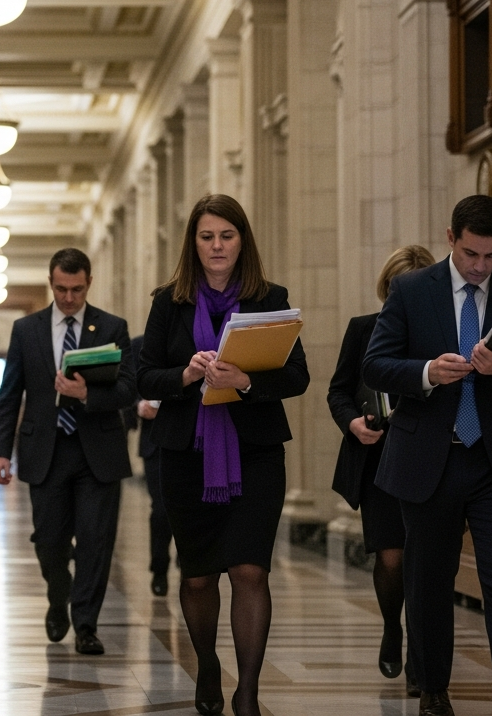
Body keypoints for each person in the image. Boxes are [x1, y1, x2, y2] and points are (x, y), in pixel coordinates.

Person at [363, 196, 492, 716]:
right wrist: (428, 372)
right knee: (429, 580)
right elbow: (377, 365)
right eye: (472, 253)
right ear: (450, 237)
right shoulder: (411, 291)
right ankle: (432, 692)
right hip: (432, 457)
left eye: (491, 256)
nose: (480, 266)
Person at [136, 194, 309, 716]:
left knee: (250, 571)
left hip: (255, 454)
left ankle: (249, 693)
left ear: (242, 241)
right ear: (194, 242)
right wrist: (186, 375)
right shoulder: (170, 301)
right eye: (207, 236)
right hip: (187, 456)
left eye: (227, 236)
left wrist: (246, 380)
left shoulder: (269, 297)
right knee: (198, 577)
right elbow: (143, 375)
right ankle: (208, 664)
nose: (217, 246)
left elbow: (297, 376)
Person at [0, 248, 135, 656]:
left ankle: (86, 624)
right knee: (49, 540)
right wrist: (0, 451)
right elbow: (9, 393)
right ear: (49, 283)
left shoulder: (111, 326)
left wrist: (89, 393)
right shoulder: (27, 329)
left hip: (97, 450)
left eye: (77, 289)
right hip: (45, 450)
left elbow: (128, 388)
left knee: (94, 540)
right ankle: (59, 593)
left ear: (89, 282)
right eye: (60, 289)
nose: (69, 297)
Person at [327, 244, 434, 692]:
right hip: (379, 461)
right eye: (394, 288)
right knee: (392, 557)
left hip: (431, 459)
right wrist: (352, 422)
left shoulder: (441, 336)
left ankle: (424, 661)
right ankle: (394, 626)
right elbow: (338, 391)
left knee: (426, 560)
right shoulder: (363, 329)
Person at [126, 334, 173, 597]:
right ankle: (160, 567)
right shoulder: (140, 344)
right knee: (161, 508)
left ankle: (190, 561)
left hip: (193, 439)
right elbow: (127, 387)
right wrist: (138, 406)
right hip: (155, 441)